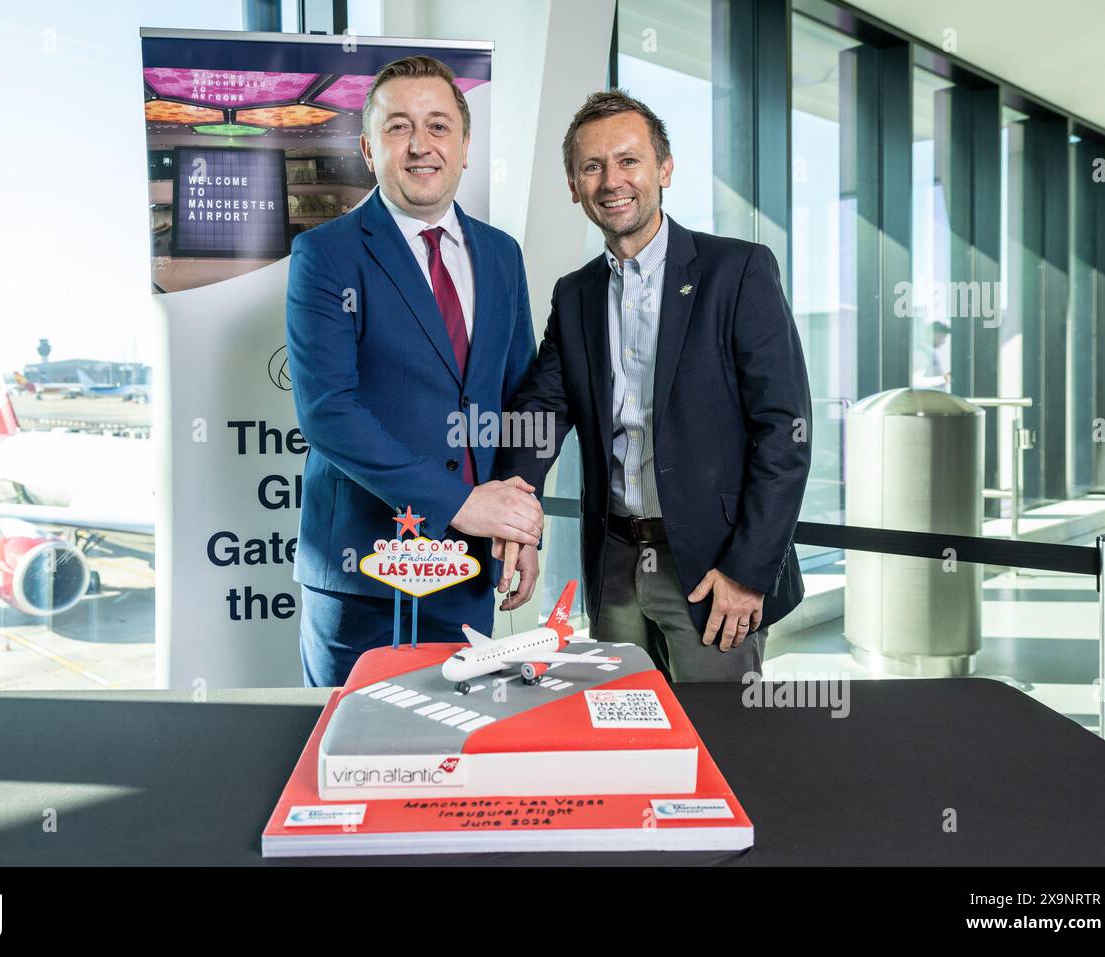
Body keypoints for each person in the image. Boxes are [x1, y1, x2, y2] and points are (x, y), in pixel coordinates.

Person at [494, 90, 812, 681]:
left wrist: (748, 571)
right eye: (592, 166)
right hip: (614, 564)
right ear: (574, 185)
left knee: (719, 749)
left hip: (714, 571)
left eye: (628, 160)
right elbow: (541, 409)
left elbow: (784, 432)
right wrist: (516, 509)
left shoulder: (738, 271)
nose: (612, 180)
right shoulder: (576, 294)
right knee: (624, 740)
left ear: (663, 169)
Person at [286, 55, 542, 687]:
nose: (420, 145)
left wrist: (518, 524)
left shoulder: (502, 256)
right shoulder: (324, 255)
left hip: (466, 574)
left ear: (464, 146)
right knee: (350, 768)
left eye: (438, 126)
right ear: (369, 149)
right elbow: (328, 414)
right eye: (398, 127)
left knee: (454, 760)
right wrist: (461, 504)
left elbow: (519, 402)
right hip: (362, 579)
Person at [913, 320, 952, 391]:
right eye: (941, 337)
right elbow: (915, 382)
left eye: (944, 337)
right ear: (930, 334)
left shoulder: (933, 352)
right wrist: (944, 379)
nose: (944, 341)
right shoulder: (920, 354)